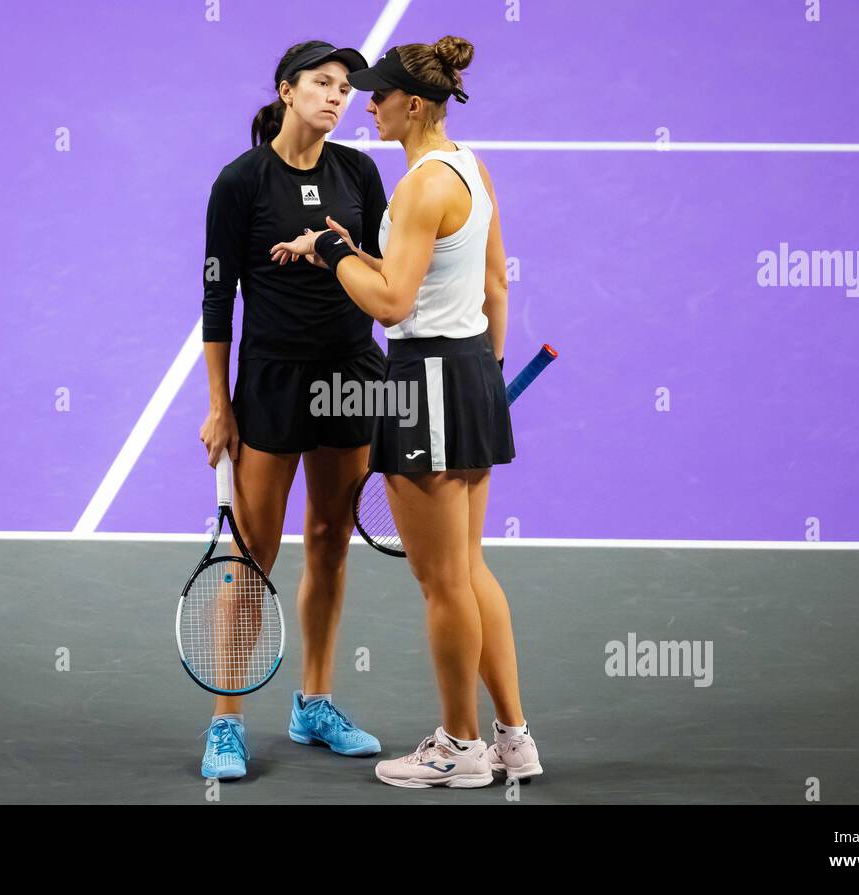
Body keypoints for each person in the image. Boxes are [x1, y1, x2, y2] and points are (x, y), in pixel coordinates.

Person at [271, 36, 543, 788]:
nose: (367, 105)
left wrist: (333, 256)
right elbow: (494, 288)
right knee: (470, 568)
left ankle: (457, 745)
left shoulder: (421, 187)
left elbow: (392, 301)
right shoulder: (471, 168)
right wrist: (479, 383)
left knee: (443, 583)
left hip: (424, 383)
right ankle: (512, 737)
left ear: (413, 104)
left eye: (379, 95)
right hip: (470, 378)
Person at [197, 40, 389, 779]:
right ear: (287, 90)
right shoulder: (241, 182)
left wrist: (332, 250)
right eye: (323, 83)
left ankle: (315, 701)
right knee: (252, 553)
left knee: (331, 540)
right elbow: (218, 299)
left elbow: (383, 270)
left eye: (345, 87)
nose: (338, 97)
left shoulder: (359, 173)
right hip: (272, 380)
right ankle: (226, 718)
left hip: (349, 374)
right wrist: (220, 405)